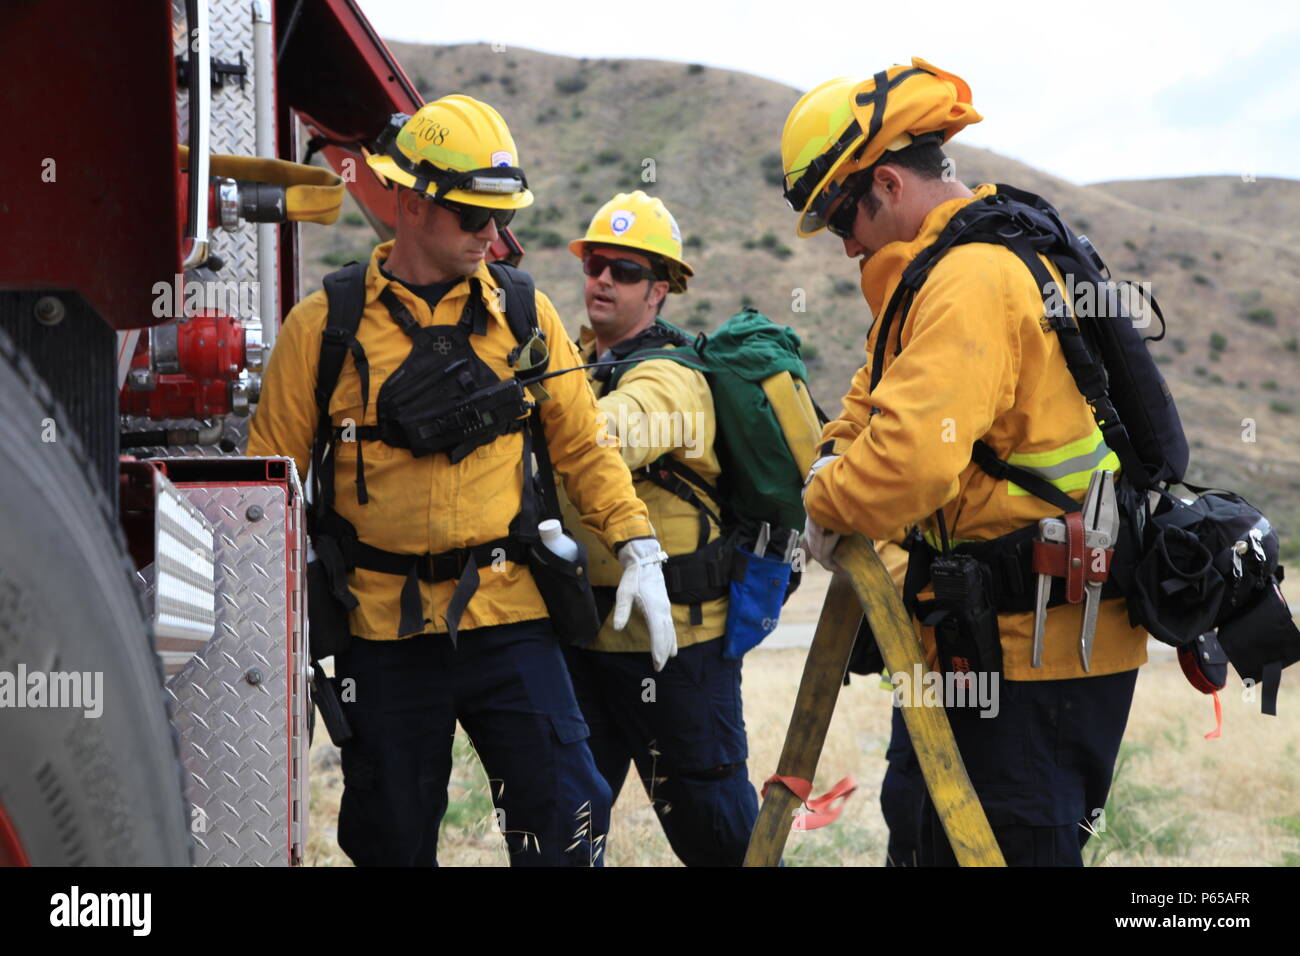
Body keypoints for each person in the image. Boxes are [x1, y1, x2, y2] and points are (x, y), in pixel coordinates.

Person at [247, 97, 677, 867]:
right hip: (383, 630)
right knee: (391, 840)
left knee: (568, 826)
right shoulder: (324, 327)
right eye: (473, 218)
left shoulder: (524, 314)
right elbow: (265, 488)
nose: (491, 236)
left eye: (499, 218)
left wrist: (637, 543)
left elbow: (583, 448)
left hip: (509, 613)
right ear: (410, 205)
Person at [781, 61, 1147, 866]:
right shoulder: (933, 277)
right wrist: (833, 469)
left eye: (843, 214)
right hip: (973, 644)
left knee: (1001, 846)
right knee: (921, 835)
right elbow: (863, 412)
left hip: (1035, 652)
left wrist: (827, 501)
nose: (844, 245)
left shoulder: (971, 279)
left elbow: (905, 466)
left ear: (885, 182)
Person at [556, 191, 761, 866]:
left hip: (677, 653)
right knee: (564, 823)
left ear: (662, 289)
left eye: (627, 269)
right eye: (596, 266)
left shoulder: (673, 378)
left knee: (718, 832)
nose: (604, 280)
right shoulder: (575, 368)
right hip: (588, 643)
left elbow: (613, 434)